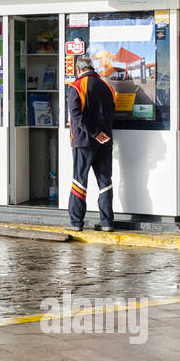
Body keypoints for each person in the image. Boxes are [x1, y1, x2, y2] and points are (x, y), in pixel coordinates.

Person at [65, 55, 117, 232]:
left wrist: (94, 133)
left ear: (78, 70)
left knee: (79, 180)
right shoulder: (107, 87)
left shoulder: (76, 86)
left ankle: (76, 222)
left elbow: (75, 115)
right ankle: (107, 222)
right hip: (105, 141)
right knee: (105, 180)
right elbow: (111, 113)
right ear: (92, 68)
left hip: (84, 141)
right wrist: (102, 134)